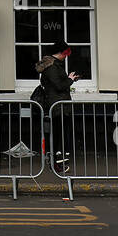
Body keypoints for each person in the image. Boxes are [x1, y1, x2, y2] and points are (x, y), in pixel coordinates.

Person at [34, 40, 78, 170]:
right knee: (56, 136)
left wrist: (70, 79)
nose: (66, 57)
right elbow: (59, 86)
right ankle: (54, 164)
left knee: (58, 135)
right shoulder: (52, 67)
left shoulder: (54, 65)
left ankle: (55, 162)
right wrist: (70, 79)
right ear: (61, 53)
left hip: (59, 105)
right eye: (66, 53)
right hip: (56, 106)